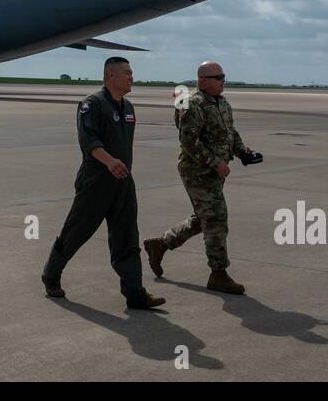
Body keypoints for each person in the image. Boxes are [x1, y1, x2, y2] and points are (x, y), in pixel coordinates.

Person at [41, 57, 165, 310]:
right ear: (111, 75)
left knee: (127, 238)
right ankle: (51, 275)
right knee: (75, 232)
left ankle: (135, 294)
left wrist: (120, 168)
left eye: (132, 73)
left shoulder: (128, 107)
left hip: (123, 182)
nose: (131, 77)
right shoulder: (92, 104)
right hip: (96, 181)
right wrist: (109, 162)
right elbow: (89, 140)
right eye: (127, 73)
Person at [144, 61, 256, 295]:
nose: (223, 80)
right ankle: (218, 274)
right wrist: (216, 162)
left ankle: (161, 244)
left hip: (214, 171)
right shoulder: (194, 104)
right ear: (203, 81)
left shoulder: (222, 102)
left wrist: (243, 151)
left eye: (224, 76)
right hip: (197, 170)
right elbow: (188, 142)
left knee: (203, 217)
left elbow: (230, 133)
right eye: (219, 77)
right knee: (216, 218)